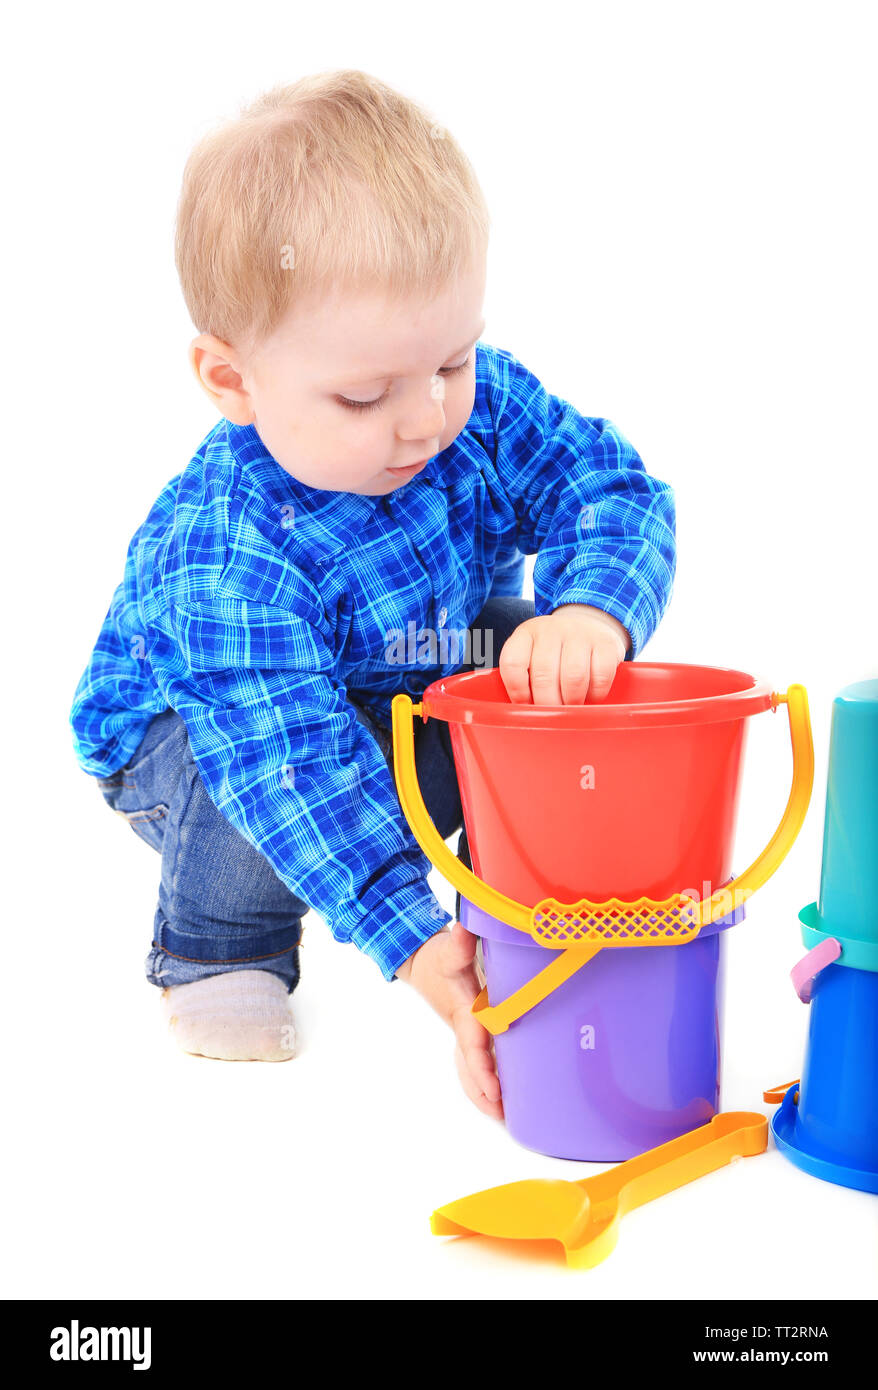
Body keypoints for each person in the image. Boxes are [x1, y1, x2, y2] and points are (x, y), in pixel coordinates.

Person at [69, 70, 676, 1119]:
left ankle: (516, 876)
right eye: (362, 395)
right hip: (203, 739)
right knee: (248, 786)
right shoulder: (228, 555)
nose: (425, 417)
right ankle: (217, 945)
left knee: (527, 650)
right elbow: (290, 761)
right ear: (232, 382)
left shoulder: (466, 404)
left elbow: (605, 487)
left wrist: (590, 609)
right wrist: (413, 940)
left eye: (451, 361)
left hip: (403, 664)